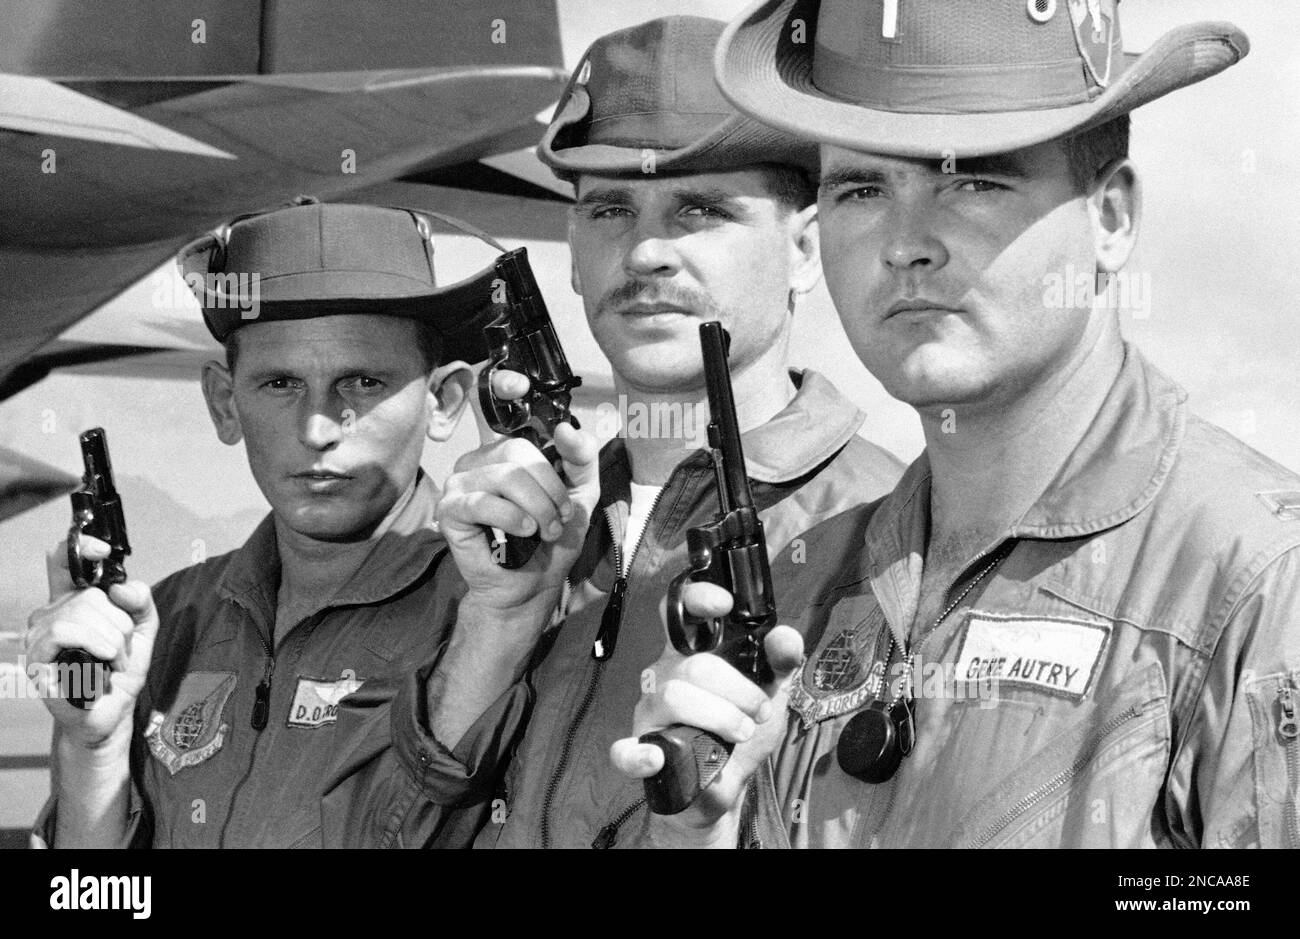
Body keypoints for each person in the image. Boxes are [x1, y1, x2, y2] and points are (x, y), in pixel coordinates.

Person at [612, 0, 1300, 848]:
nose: (906, 244)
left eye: (974, 179)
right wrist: (701, 835)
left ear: (1111, 217)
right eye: (862, 188)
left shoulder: (1261, 586)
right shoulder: (813, 581)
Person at [324, 15, 903, 848]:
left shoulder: (890, 534)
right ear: (570, 247)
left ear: (806, 247)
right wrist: (498, 623)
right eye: (611, 210)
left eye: (701, 208)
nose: (645, 254)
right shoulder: (513, 534)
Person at [25, 198, 515, 847]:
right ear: (225, 404)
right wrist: (93, 744)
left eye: (363, 382)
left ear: (443, 400)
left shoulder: (502, 615)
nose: (318, 428)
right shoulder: (172, 619)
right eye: (280, 383)